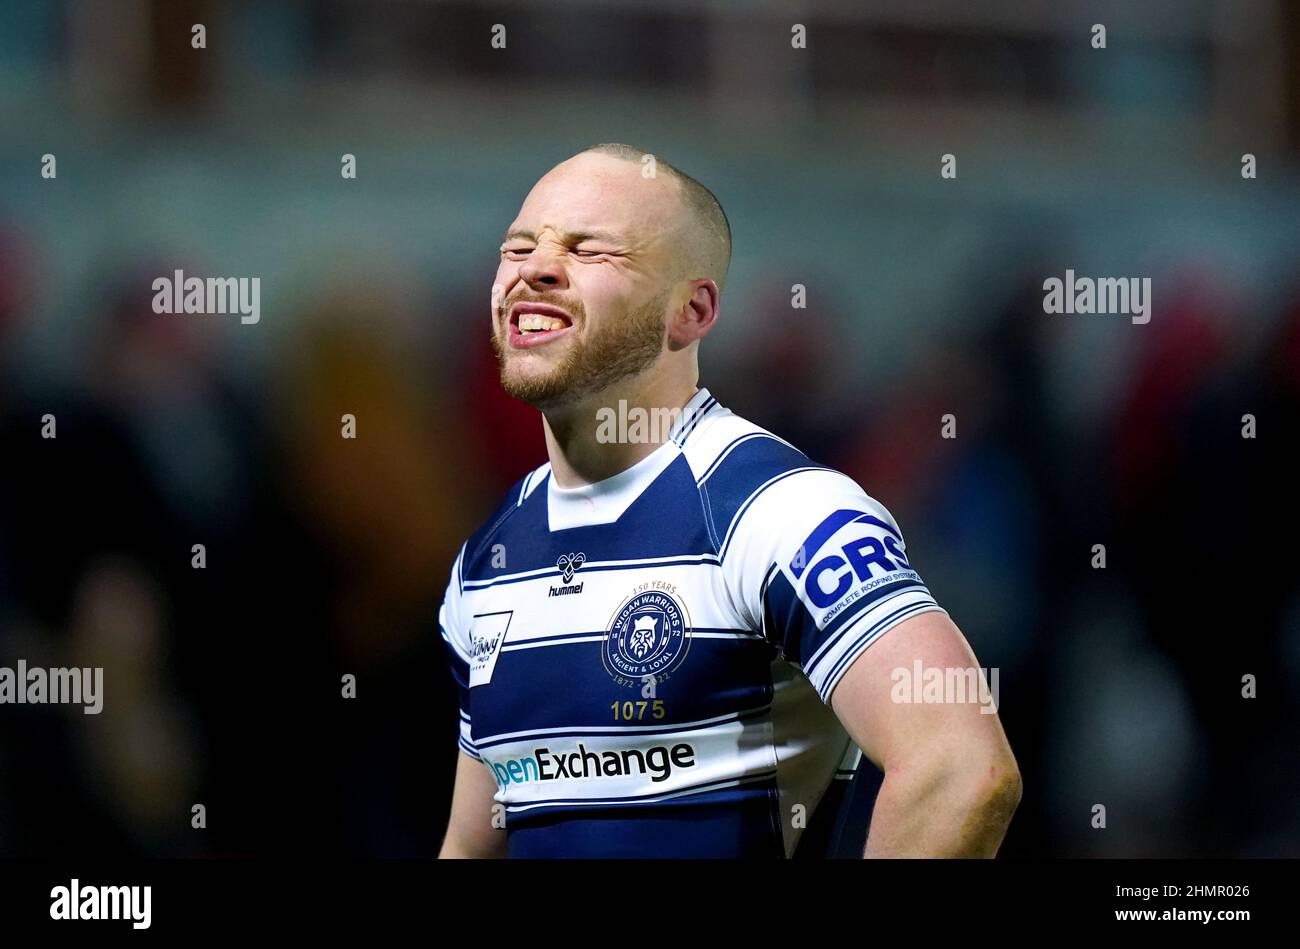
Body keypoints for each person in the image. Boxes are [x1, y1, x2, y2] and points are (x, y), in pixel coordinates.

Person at [436, 144, 1020, 858]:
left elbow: (959, 769)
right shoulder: (488, 561)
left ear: (691, 310)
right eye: (517, 246)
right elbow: (473, 845)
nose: (535, 267)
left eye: (591, 250)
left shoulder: (782, 514)